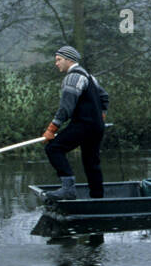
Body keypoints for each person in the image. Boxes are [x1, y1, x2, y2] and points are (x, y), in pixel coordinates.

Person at [43, 45, 108, 199]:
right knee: (91, 162)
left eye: (59, 60)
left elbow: (66, 108)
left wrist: (52, 129)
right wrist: (100, 118)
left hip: (83, 125)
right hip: (96, 127)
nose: (56, 63)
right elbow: (104, 97)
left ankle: (68, 189)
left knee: (53, 148)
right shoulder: (90, 76)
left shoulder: (72, 78)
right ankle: (98, 198)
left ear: (68, 60)